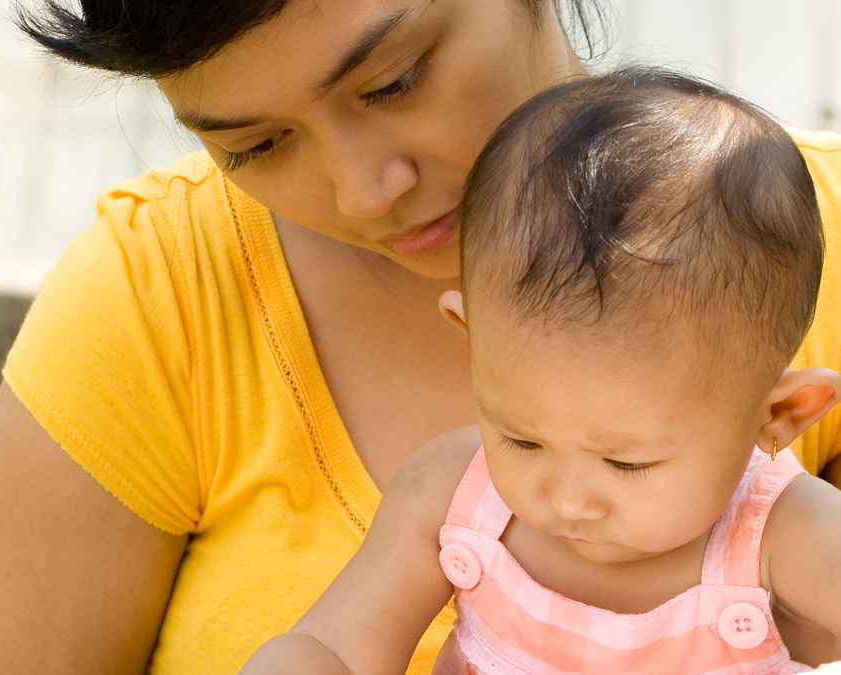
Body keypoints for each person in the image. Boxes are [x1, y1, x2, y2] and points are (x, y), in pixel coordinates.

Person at [0, 1, 839, 674]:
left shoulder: (782, 269)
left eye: (395, 80)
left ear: (782, 409)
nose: (366, 190)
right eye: (255, 144)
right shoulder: (159, 295)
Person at [237, 69, 841, 675]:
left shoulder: (787, 534)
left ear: (778, 415)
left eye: (627, 463)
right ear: (472, 341)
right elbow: (334, 649)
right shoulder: (452, 494)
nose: (569, 501)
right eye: (522, 440)